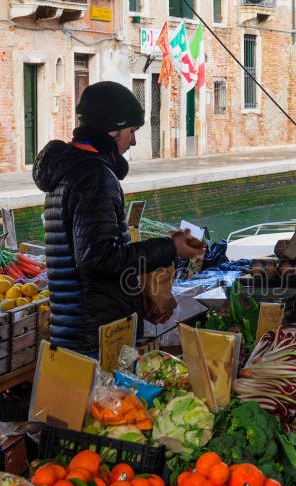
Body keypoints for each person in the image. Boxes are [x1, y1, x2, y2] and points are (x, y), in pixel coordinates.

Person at [32, 81, 204, 355]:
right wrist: (170, 248)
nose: (133, 141)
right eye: (132, 131)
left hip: (74, 331)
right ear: (113, 130)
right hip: (94, 338)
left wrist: (136, 301)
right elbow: (99, 258)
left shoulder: (69, 170)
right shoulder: (94, 175)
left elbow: (93, 258)